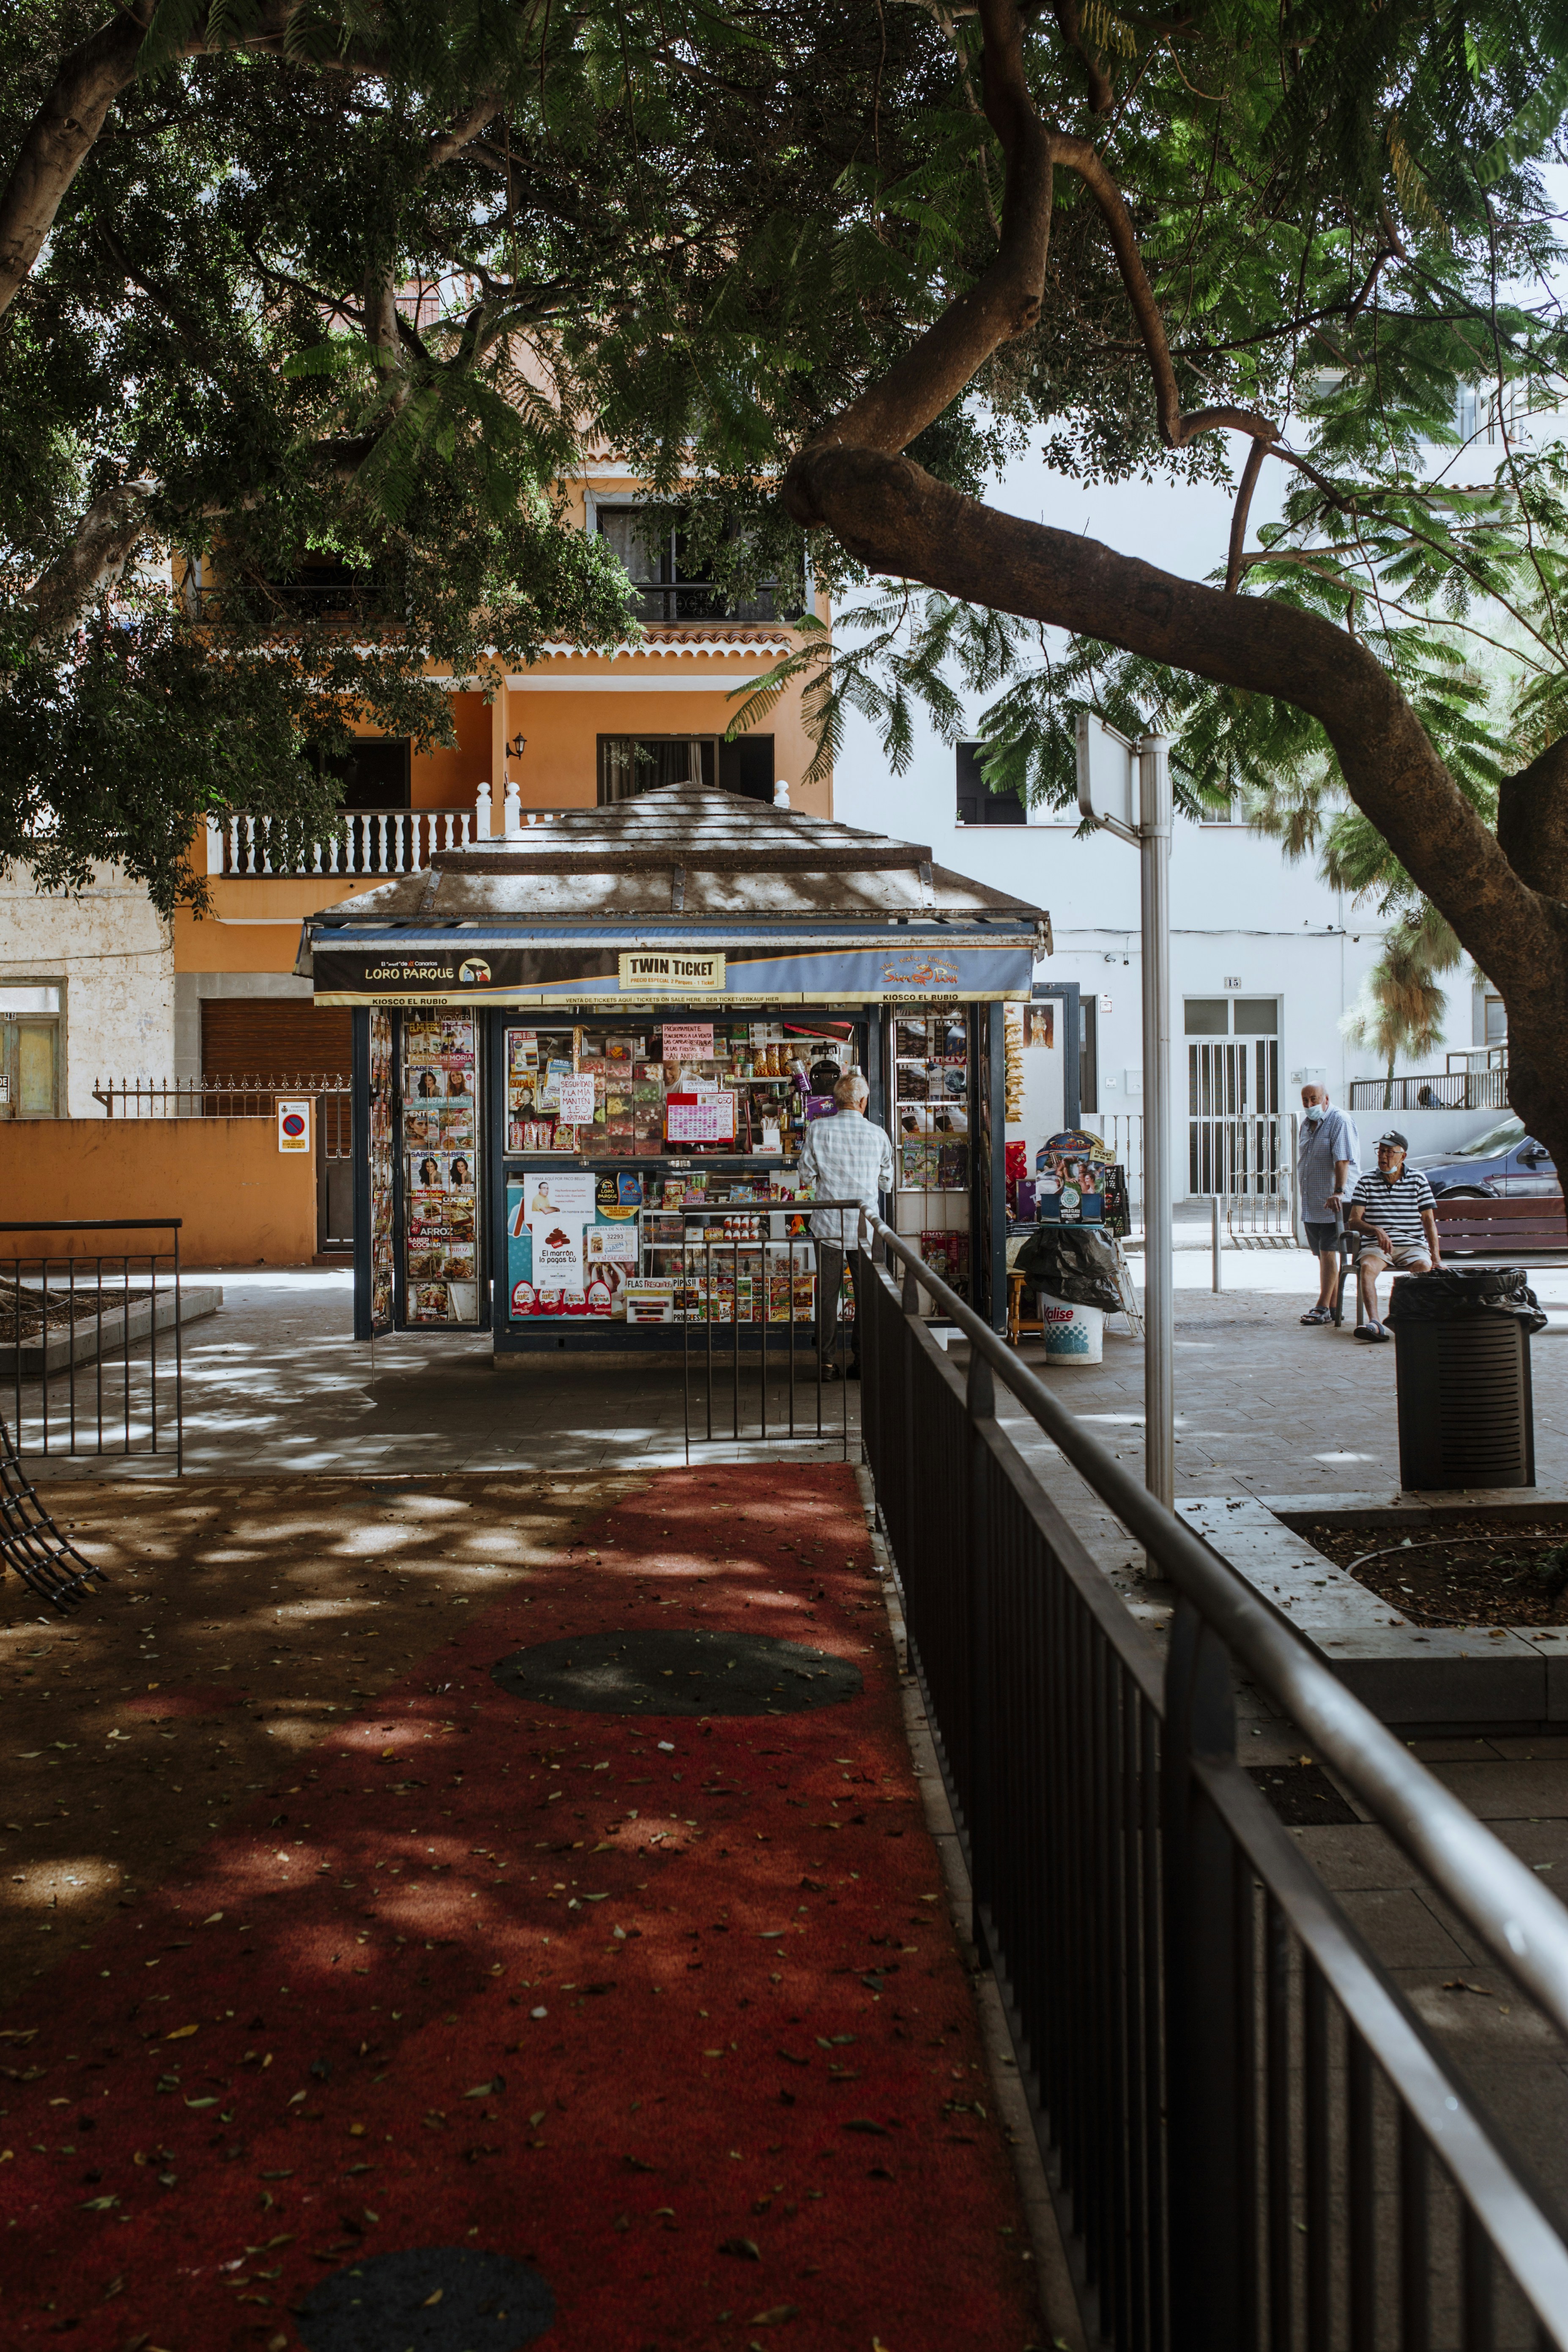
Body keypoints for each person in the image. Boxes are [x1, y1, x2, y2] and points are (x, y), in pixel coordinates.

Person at [796, 1070, 894, 1379]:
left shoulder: (817, 1129)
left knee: (827, 1297)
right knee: (866, 1296)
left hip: (828, 1225)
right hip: (865, 1228)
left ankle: (825, 1363)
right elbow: (887, 1183)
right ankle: (862, 1361)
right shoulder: (878, 1134)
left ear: (835, 1101)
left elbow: (806, 1176)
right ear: (863, 1101)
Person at [1346, 1130, 1442, 1342]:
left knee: (1423, 1269)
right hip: (1378, 1246)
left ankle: (1409, 1321)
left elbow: (1428, 1221)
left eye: (1390, 1152)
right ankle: (1375, 1323)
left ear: (1403, 1156)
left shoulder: (1418, 1180)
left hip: (1413, 1245)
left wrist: (1436, 1258)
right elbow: (1354, 1221)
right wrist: (1376, 1230)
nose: (1383, 1157)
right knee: (1368, 1268)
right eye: (1381, 1151)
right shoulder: (1366, 1180)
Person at [1297, 1083, 1360, 1325]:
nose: (1310, 1105)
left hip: (1334, 1202)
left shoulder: (1339, 1120)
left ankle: (1322, 1306)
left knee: (1329, 1251)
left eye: (1314, 1099)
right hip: (1313, 1201)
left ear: (1326, 1099)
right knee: (1323, 1256)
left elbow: (1343, 1160)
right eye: (1306, 1101)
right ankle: (1334, 1308)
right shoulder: (1306, 1124)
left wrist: (1339, 1192)